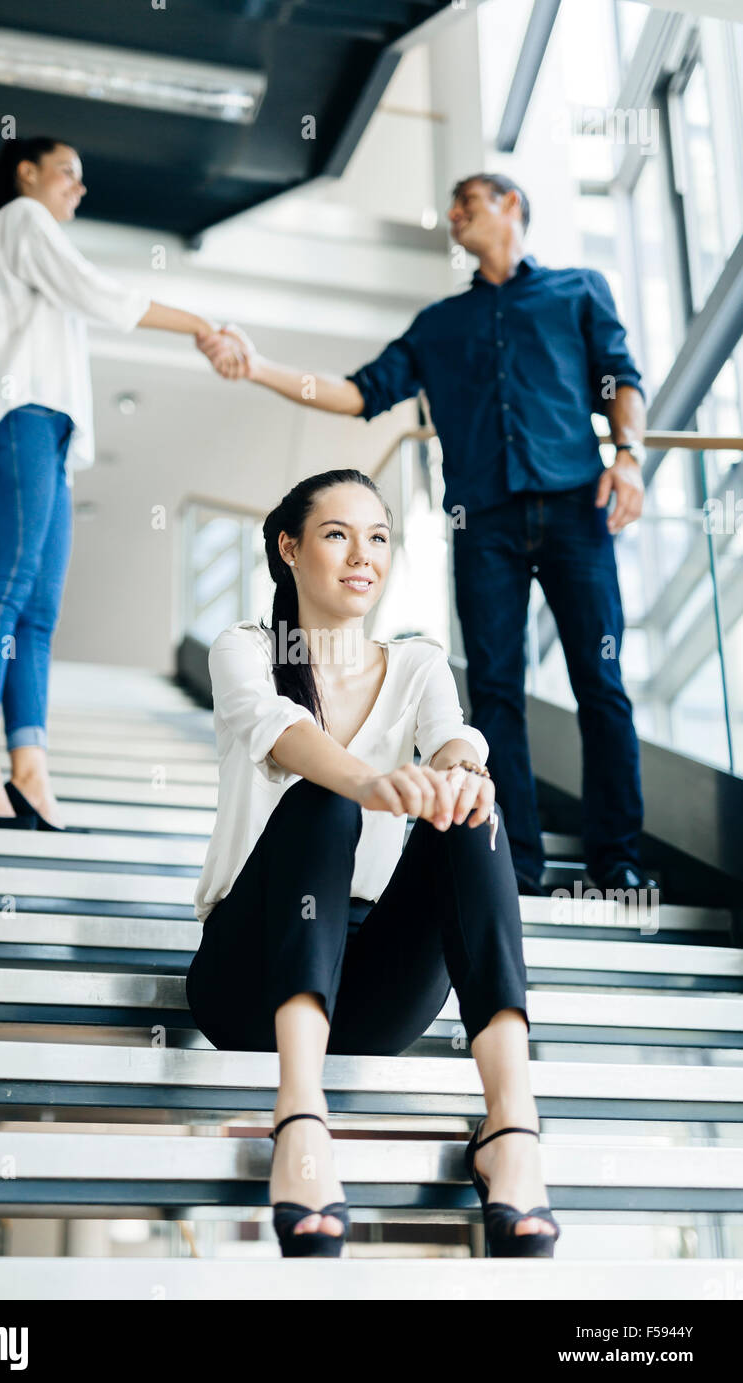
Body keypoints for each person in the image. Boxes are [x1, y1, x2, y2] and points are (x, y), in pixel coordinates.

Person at [197, 173, 655, 897]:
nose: (451, 216)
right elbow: (356, 393)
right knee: (496, 691)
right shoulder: (439, 324)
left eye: (465, 203)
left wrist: (629, 457)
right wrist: (256, 367)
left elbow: (621, 378)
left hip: (575, 508)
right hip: (484, 525)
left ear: (512, 204)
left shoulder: (579, 289)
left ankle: (618, 861)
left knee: (600, 682)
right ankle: (519, 864)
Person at [185, 467, 561, 1259]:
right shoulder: (244, 650)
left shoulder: (418, 663)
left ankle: (513, 1128)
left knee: (472, 805)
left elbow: (454, 732)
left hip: (371, 991)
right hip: (249, 972)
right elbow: (280, 732)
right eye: (336, 534)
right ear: (288, 549)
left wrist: (456, 769)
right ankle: (301, 1118)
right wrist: (371, 781)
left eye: (379, 537)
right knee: (325, 799)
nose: (364, 556)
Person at [0, 136, 240, 831]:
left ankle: (30, 767)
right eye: (68, 174)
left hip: (48, 433)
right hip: (19, 419)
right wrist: (199, 323)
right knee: (9, 585)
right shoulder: (23, 221)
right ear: (28, 173)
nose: (79, 190)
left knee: (39, 613)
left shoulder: (26, 236)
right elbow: (102, 295)